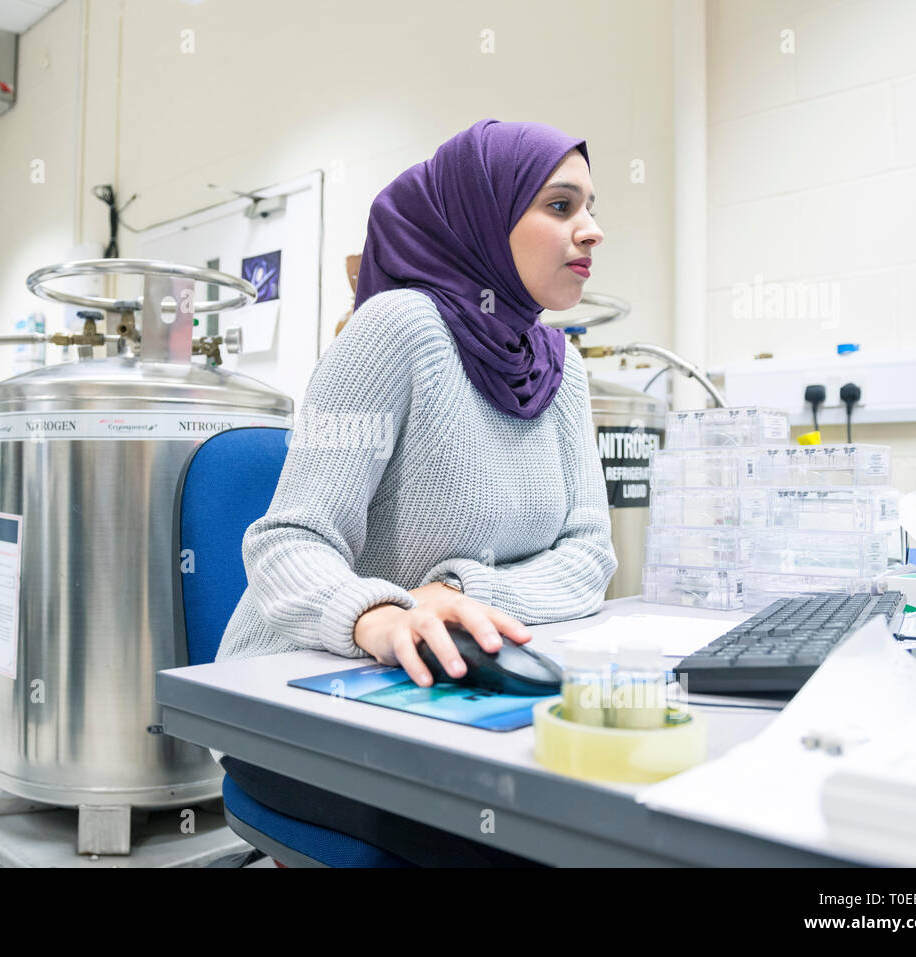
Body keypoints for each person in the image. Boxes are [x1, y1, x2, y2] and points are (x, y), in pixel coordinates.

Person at [216, 118, 616, 866]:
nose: (591, 231)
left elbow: (591, 556)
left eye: (591, 208)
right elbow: (288, 541)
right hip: (306, 698)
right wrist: (381, 613)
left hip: (455, 690)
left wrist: (457, 591)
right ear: (484, 217)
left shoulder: (561, 367)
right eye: (561, 207)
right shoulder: (397, 329)